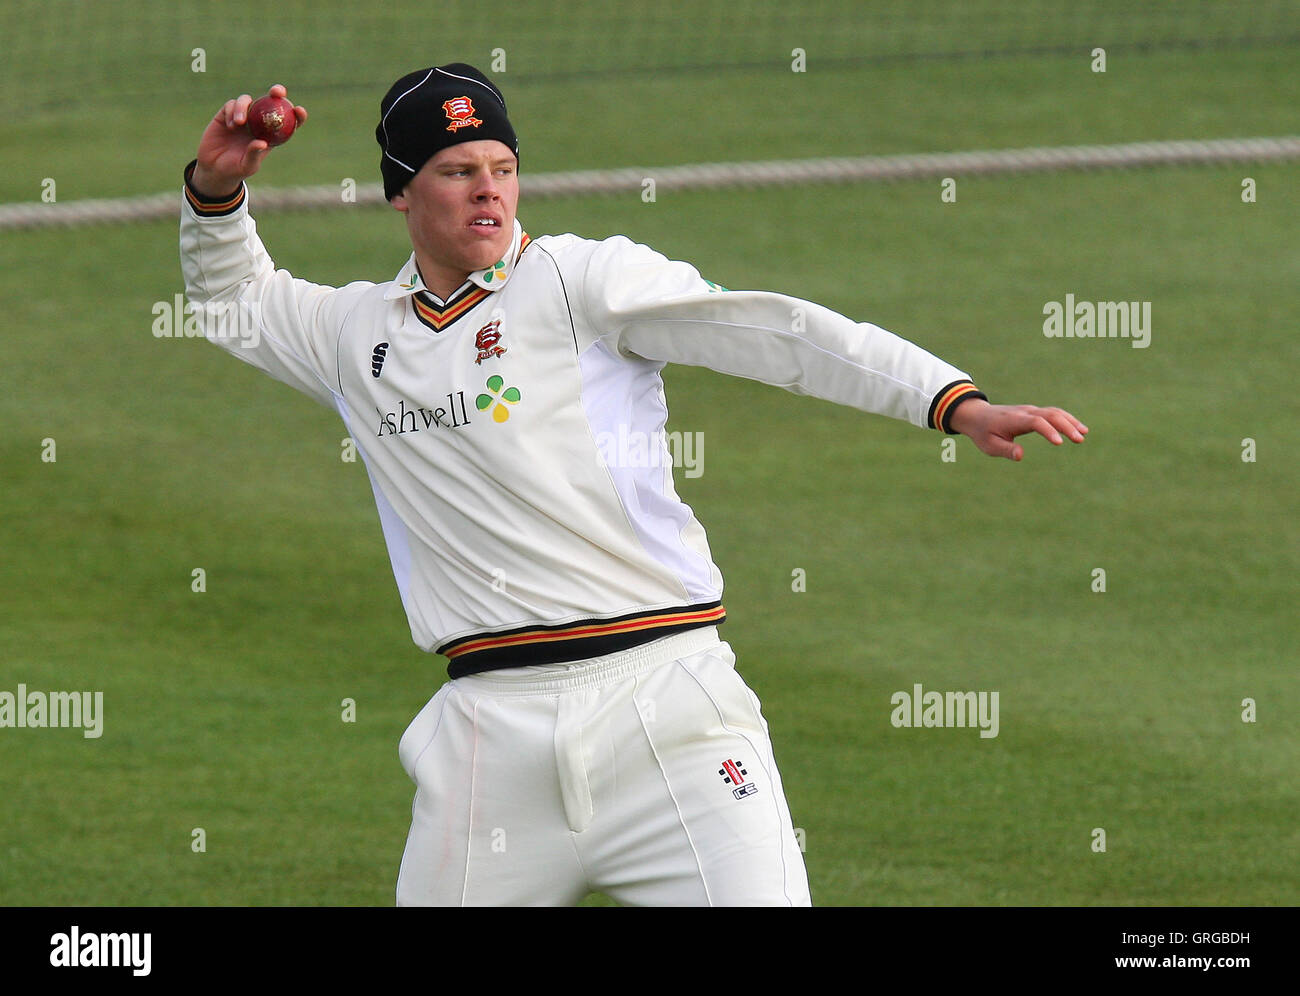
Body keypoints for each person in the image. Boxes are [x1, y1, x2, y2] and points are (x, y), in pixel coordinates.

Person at [181, 66, 1087, 907]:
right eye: (457, 170)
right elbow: (233, 299)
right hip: (489, 743)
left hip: (667, 713)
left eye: (503, 165)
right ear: (400, 190)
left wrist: (951, 400)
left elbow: (774, 332)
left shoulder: (586, 278)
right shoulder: (354, 337)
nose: (489, 187)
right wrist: (217, 190)